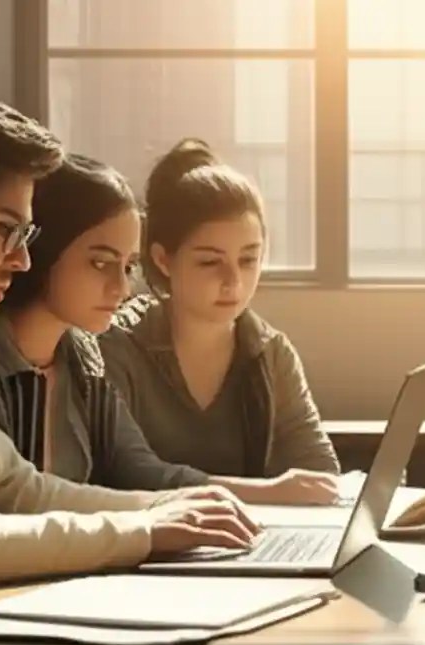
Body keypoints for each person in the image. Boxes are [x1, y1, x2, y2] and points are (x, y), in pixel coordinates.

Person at [0, 78, 256, 594]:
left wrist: (161, 509)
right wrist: (138, 532)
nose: (22, 259)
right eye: (5, 228)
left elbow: (8, 486)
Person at [0, 155, 331, 504]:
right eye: (100, 263)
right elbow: (12, 498)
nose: (121, 288)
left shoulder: (83, 355)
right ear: (46, 248)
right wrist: (151, 525)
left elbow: (140, 469)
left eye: (128, 266)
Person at [100, 139, 341, 490]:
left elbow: (318, 468)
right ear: (164, 259)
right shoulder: (118, 346)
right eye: (210, 262)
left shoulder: (271, 352)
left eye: (248, 259)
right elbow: (132, 472)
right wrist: (267, 494)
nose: (234, 281)